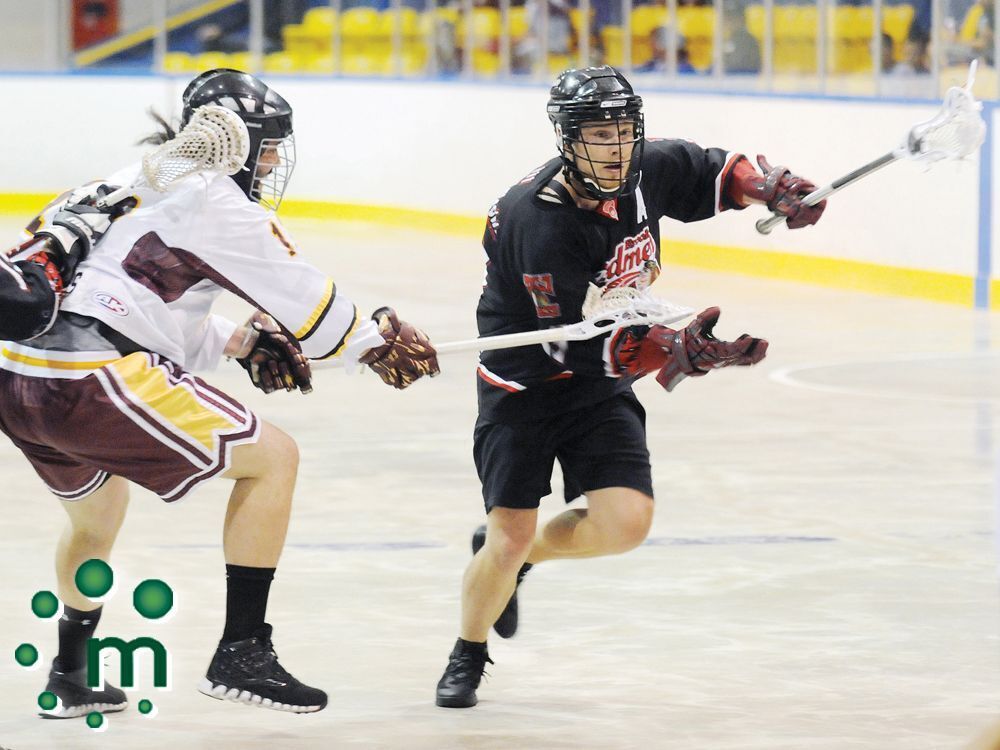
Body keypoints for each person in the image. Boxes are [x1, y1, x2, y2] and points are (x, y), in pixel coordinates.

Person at [2, 68, 439, 719]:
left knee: (97, 517)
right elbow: (318, 318)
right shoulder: (216, 197)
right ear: (237, 143)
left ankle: (67, 673)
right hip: (91, 377)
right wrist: (374, 341)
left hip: (16, 376)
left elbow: (137, 304)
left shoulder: (129, 179)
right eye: (265, 147)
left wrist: (240, 342)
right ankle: (242, 652)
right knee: (275, 458)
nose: (270, 162)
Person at [434, 65, 825, 708]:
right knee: (506, 535)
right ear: (567, 140)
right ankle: (469, 651)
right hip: (525, 387)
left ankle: (524, 556)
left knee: (625, 523)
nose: (615, 148)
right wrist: (673, 353)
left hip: (600, 385)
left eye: (622, 131)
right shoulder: (535, 219)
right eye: (597, 134)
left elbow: (712, 171)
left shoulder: (644, 169)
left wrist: (771, 191)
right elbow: (564, 341)